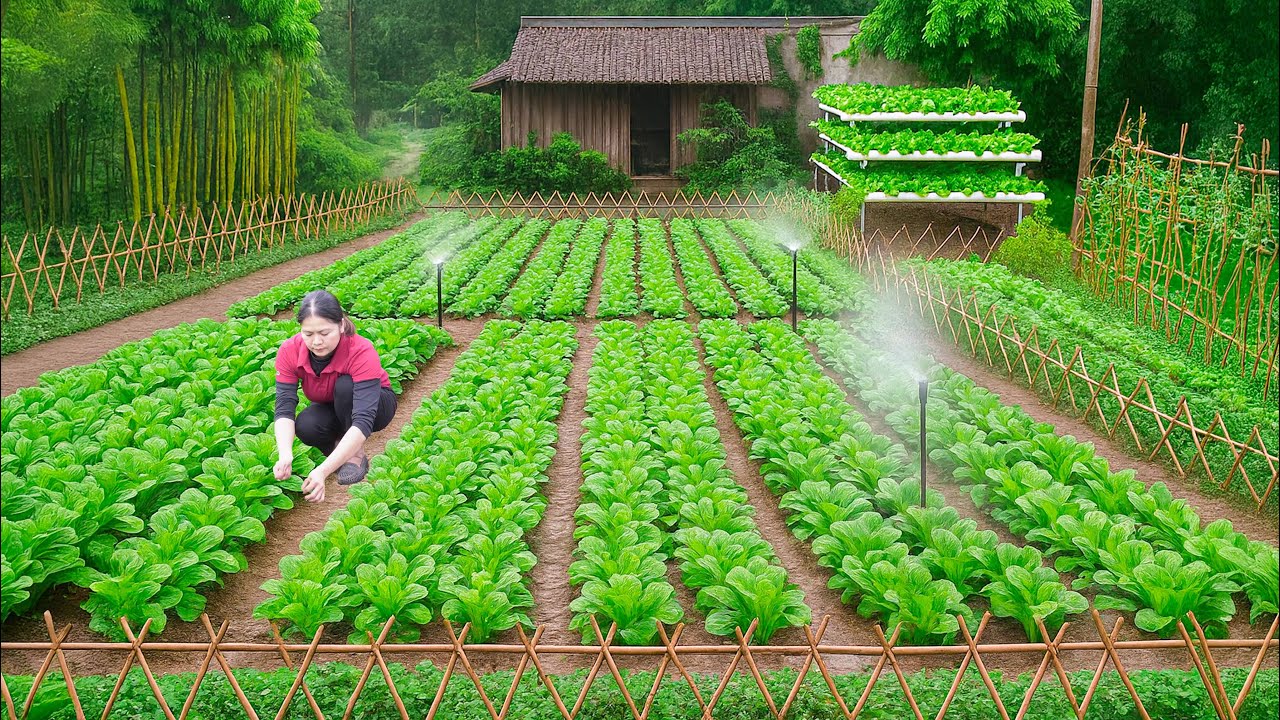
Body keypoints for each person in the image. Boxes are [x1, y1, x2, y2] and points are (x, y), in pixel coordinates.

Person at [273, 290, 396, 502]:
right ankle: (340, 449)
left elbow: (364, 419)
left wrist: (322, 471)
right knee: (306, 424)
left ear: (340, 325)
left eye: (324, 333)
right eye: (308, 334)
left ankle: (354, 454)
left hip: (376, 406)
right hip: (331, 404)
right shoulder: (289, 350)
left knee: (346, 386)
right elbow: (284, 406)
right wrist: (285, 454)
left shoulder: (360, 349)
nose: (317, 342)